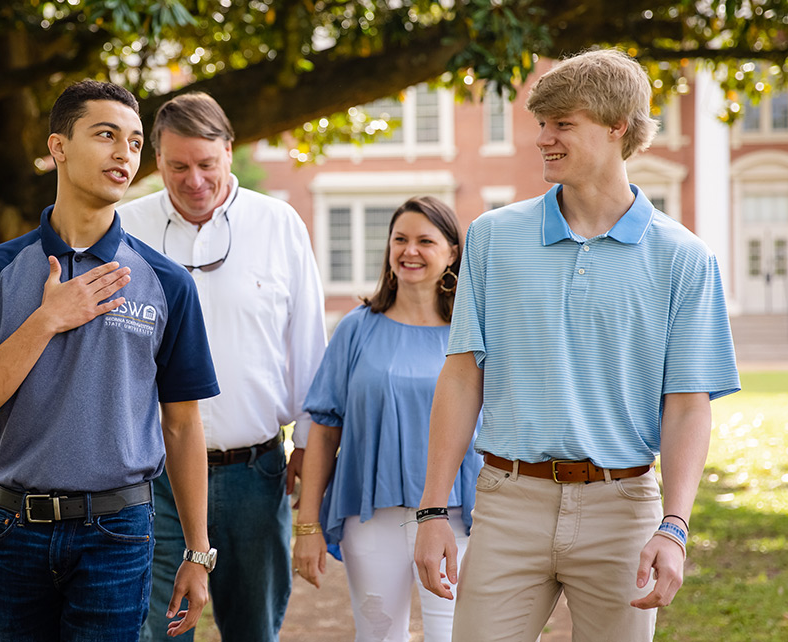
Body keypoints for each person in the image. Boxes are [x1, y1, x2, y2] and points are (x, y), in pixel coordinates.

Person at [413, 49, 740, 642]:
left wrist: (675, 526)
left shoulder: (684, 258)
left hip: (624, 511)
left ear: (618, 126)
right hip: (509, 501)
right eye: (542, 123)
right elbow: (462, 376)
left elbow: (689, 404)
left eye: (563, 124)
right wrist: (435, 509)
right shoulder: (492, 238)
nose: (543, 138)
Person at [0, 79, 220, 641]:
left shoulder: (167, 283)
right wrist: (45, 320)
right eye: (106, 135)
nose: (124, 154)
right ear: (58, 147)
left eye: (136, 143)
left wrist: (197, 552)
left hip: (118, 532)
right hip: (18, 527)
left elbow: (183, 425)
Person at [120, 92, 327, 642]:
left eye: (206, 165)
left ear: (229, 153)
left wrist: (306, 443)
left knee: (254, 629)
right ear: (155, 159)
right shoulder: (122, 228)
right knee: (156, 630)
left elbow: (307, 343)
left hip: (252, 473)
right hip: (152, 478)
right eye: (177, 166)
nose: (193, 180)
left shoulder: (278, 222)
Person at [292, 196, 484, 642]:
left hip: (457, 517)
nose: (409, 251)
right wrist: (307, 525)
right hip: (371, 517)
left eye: (424, 241)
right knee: (378, 636)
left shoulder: (474, 332)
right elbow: (323, 431)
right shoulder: (357, 328)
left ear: (453, 252)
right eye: (400, 239)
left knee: (452, 636)